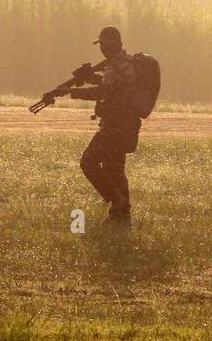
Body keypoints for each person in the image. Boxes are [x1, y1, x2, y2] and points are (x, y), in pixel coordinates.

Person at [45, 26, 141, 224]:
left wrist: (70, 91)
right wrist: (89, 77)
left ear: (107, 45)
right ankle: (121, 217)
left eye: (103, 45)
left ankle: (118, 202)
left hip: (115, 126)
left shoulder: (116, 66)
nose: (102, 49)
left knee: (88, 162)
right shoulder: (124, 64)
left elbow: (103, 92)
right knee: (114, 169)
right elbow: (113, 87)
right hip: (125, 125)